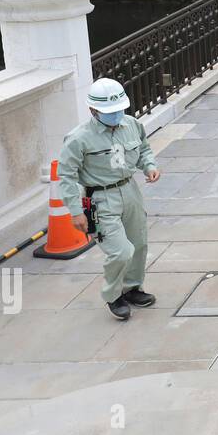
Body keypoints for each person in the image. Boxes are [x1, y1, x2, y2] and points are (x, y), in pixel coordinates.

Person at [57, 78, 161, 320]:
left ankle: (133, 288)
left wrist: (149, 166)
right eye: (109, 112)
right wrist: (75, 211)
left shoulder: (132, 124)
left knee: (139, 243)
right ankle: (113, 295)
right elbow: (66, 175)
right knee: (120, 251)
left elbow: (144, 148)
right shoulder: (78, 138)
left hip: (129, 190)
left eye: (119, 110)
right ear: (93, 110)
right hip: (99, 197)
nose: (116, 116)